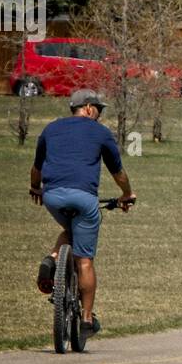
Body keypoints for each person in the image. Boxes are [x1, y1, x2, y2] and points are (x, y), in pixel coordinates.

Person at [30, 89, 135, 340]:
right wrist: (127, 195)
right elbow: (117, 172)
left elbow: (36, 167)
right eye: (99, 108)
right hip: (84, 199)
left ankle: (52, 258)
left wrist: (36, 188)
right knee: (85, 260)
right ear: (88, 108)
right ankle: (87, 319)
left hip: (53, 196)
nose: (100, 113)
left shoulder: (51, 129)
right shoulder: (100, 133)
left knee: (69, 231)